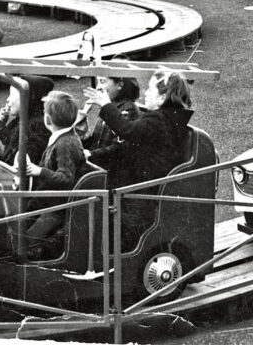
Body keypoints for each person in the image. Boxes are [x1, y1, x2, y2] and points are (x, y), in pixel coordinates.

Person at [83, 70, 194, 246]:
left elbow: (128, 131)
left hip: (143, 188)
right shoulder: (166, 118)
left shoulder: (158, 120)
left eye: (151, 90)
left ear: (163, 97)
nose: (146, 93)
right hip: (142, 182)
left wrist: (105, 104)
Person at [19, 90, 88, 259]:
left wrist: (39, 171)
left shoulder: (65, 143)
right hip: (47, 200)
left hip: (58, 207)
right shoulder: (62, 137)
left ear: (48, 119)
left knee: (25, 241)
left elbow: (66, 177)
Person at [0, 76, 55, 166]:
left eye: (12, 95)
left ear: (28, 98)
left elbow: (24, 163)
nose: (8, 99)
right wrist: (1, 128)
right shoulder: (21, 120)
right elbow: (10, 143)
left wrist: (2, 149)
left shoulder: (37, 126)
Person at [80, 77, 141, 153]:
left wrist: (90, 154)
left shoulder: (128, 109)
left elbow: (119, 148)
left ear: (120, 85)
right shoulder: (106, 106)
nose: (98, 87)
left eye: (102, 81)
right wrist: (84, 114)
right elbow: (93, 140)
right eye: (98, 82)